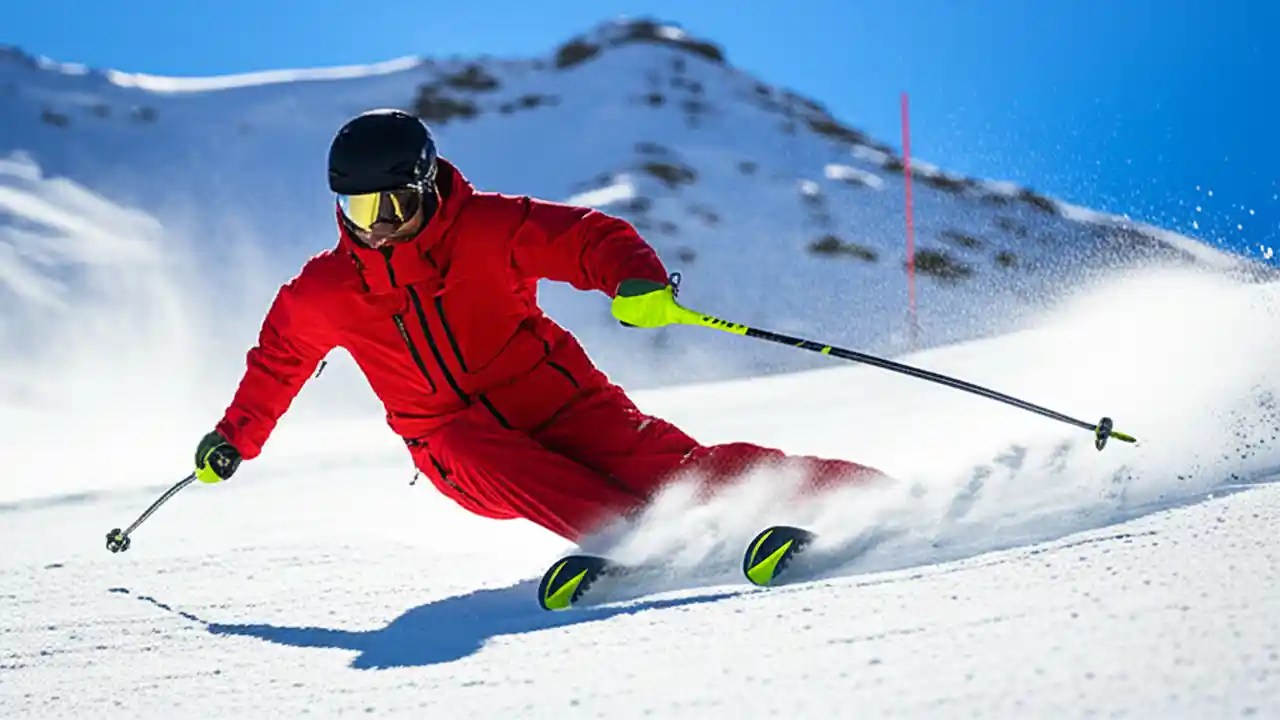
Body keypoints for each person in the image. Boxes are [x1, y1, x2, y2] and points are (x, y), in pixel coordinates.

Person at [195, 108, 885, 542]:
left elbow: (588, 236)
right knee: (462, 436)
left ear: (428, 184)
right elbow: (277, 362)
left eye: (392, 205)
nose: (376, 229)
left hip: (570, 409)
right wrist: (233, 439)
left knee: (676, 471)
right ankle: (642, 539)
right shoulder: (327, 289)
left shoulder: (488, 228)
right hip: (465, 455)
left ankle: (873, 498)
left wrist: (633, 277)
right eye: (357, 211)